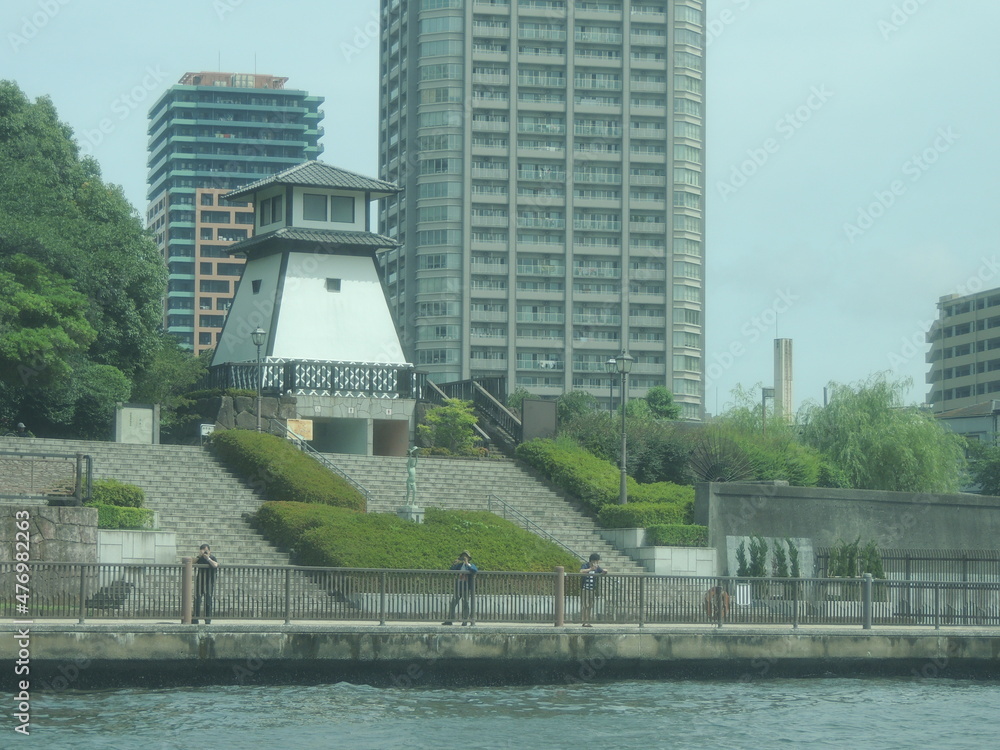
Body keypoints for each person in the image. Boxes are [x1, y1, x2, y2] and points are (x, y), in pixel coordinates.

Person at [443, 550, 477, 626]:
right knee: (453, 604)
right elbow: (451, 571)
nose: (464, 557)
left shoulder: (471, 565)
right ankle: (450, 620)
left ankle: (465, 620)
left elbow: (474, 570)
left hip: (466, 588)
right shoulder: (459, 566)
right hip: (458, 587)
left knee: (465, 604)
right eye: (463, 556)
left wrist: (467, 563)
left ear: (468, 558)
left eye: (465, 556)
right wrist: (454, 564)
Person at [193, 544, 219, 625]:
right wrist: (199, 556)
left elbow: (215, 565)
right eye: (202, 550)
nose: (204, 552)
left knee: (208, 600)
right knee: (197, 600)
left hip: (209, 582)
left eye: (206, 550)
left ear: (210, 551)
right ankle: (195, 619)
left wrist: (208, 558)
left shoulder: (212, 557)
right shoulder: (199, 558)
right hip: (200, 581)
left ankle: (207, 619)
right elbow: (191, 563)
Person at [580, 553, 608, 627]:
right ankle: (584, 621)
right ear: (592, 561)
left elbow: (601, 571)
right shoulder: (585, 565)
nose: (596, 563)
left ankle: (588, 621)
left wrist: (604, 571)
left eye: (597, 562)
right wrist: (590, 569)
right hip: (585, 589)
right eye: (595, 561)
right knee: (585, 605)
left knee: (590, 605)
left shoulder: (597, 568)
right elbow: (581, 571)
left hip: (592, 589)